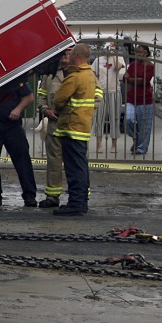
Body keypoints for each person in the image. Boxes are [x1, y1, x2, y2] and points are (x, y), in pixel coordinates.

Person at [52, 43, 99, 216]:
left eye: (72, 53)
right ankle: (80, 201)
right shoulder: (90, 75)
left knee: (74, 168)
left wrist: (58, 108)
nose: (69, 56)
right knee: (80, 166)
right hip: (82, 126)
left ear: (77, 55)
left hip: (71, 126)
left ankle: (76, 204)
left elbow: (58, 99)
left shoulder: (75, 77)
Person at [0, 80, 37, 207]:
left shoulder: (13, 77)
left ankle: (29, 195)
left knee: (22, 162)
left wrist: (18, 109)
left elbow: (29, 96)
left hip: (11, 126)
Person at [37, 48, 70, 208]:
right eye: (62, 56)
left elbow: (96, 95)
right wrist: (45, 110)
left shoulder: (81, 73)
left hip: (73, 124)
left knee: (74, 162)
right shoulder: (49, 74)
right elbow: (41, 95)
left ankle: (78, 197)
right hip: (54, 123)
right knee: (54, 161)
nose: (64, 59)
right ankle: (52, 197)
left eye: (68, 55)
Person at [92, 43, 125, 155]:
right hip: (101, 91)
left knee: (114, 117)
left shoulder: (119, 58)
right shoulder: (98, 60)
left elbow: (117, 67)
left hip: (114, 91)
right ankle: (99, 144)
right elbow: (94, 74)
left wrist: (114, 55)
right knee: (99, 118)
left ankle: (114, 144)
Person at [124, 44, 155, 156]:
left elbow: (144, 80)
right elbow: (125, 78)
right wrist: (135, 79)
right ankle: (136, 139)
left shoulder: (150, 66)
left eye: (140, 52)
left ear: (146, 53)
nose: (138, 54)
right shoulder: (132, 64)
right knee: (128, 120)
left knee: (144, 126)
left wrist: (131, 79)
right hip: (132, 98)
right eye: (136, 52)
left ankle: (142, 148)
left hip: (145, 99)